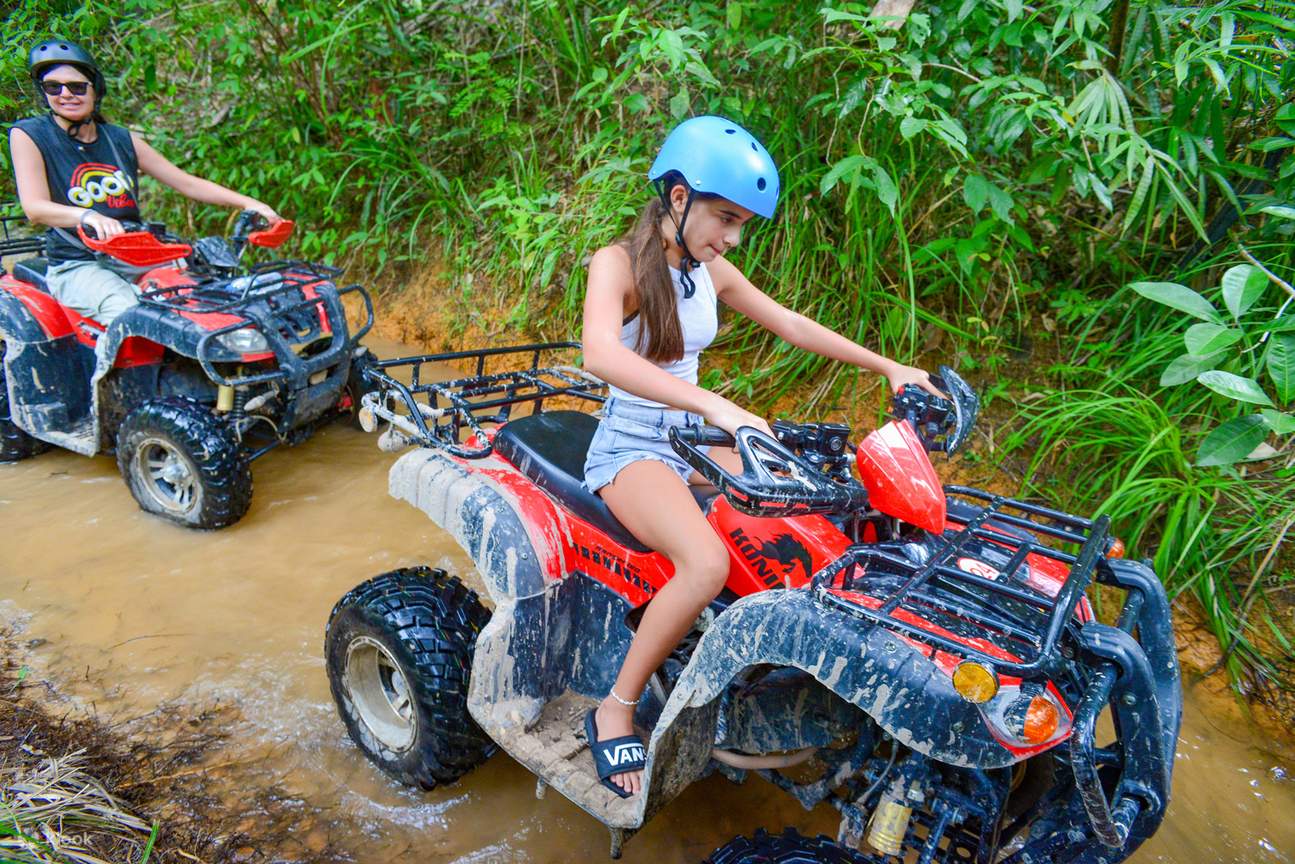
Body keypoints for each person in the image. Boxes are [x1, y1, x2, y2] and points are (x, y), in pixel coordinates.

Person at [579, 115, 943, 798]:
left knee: (815, 508)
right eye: (724, 218)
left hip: (691, 440)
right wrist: (712, 404)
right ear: (678, 196)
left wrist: (888, 365)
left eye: (742, 223)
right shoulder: (617, 264)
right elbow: (598, 352)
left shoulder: (707, 270)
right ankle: (615, 709)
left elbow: (792, 324)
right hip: (633, 451)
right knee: (706, 562)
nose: (731, 237)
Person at [8, 39, 280, 325]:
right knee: (133, 317)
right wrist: (87, 215)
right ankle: (108, 372)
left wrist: (250, 204)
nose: (66, 94)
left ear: (95, 89)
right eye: (54, 87)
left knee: (207, 300)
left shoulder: (119, 139)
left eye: (77, 87)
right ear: (43, 91)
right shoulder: (30, 135)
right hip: (78, 263)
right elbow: (35, 207)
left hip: (136, 254)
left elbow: (185, 182)